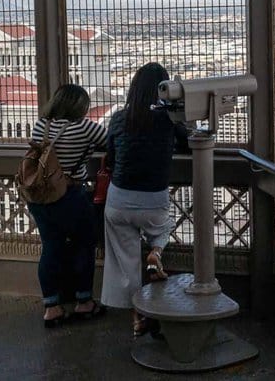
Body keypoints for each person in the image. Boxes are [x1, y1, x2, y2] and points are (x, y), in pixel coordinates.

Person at [101, 62, 189, 336]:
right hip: (153, 197)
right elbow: (189, 142)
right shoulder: (168, 120)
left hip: (119, 198)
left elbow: (111, 154)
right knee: (162, 228)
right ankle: (156, 253)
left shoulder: (119, 118)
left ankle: (137, 315)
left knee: (124, 260)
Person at [26, 83, 108, 327]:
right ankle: (84, 301)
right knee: (84, 244)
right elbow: (111, 141)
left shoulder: (42, 125)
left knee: (51, 247)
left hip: (40, 196)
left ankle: (51, 306)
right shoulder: (84, 127)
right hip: (69, 195)